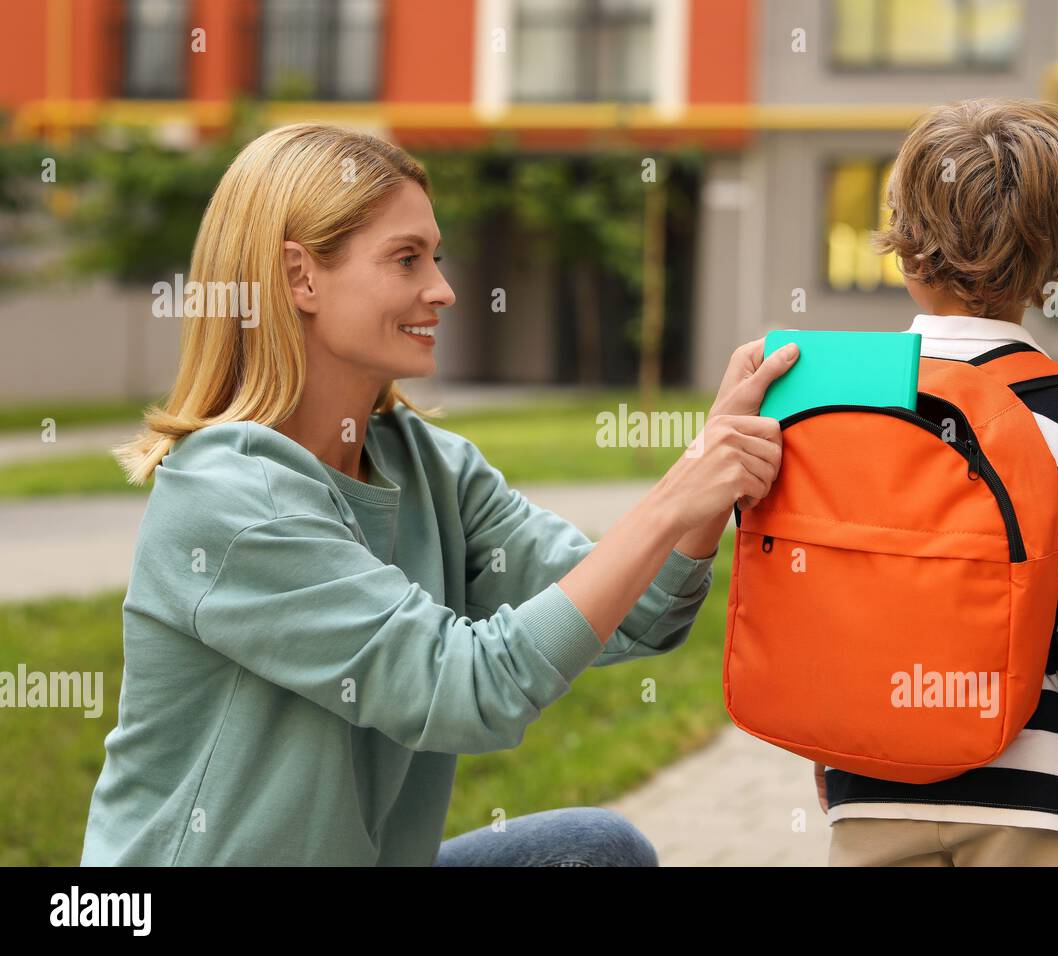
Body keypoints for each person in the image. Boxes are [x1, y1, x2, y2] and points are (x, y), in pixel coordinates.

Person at [81, 123, 798, 866]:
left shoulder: (427, 466)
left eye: (438, 257)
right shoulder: (231, 498)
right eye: (405, 259)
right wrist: (671, 499)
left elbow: (640, 616)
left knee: (592, 851)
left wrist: (712, 478)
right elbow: (466, 690)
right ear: (300, 277)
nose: (444, 290)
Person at [819, 99, 1058, 867]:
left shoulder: (851, 396)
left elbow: (829, 585)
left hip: (874, 772)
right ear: (1055, 254)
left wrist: (827, 731)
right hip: (1030, 786)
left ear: (906, 247)